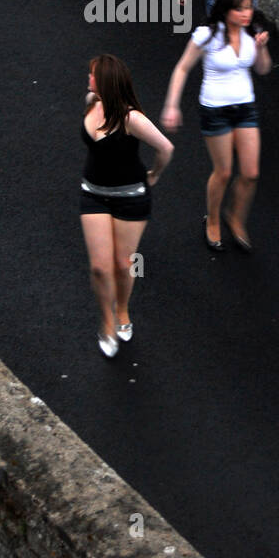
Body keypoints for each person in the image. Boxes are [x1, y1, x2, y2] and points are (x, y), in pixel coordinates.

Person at [162, 0, 271, 252]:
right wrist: (172, 105)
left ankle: (234, 216)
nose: (247, 13)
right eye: (240, 8)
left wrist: (262, 49)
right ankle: (212, 219)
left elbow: (263, 69)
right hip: (215, 110)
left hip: (245, 108)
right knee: (223, 172)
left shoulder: (250, 35)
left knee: (251, 173)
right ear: (225, 10)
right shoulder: (207, 35)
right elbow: (182, 68)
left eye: (249, 7)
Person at [81, 54, 174, 357]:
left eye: (93, 75)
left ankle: (122, 310)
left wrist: (154, 176)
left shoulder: (130, 118)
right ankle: (106, 321)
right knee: (99, 267)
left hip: (130, 197)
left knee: (123, 264)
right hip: (93, 193)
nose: (89, 79)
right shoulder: (91, 102)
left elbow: (165, 147)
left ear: (106, 80)